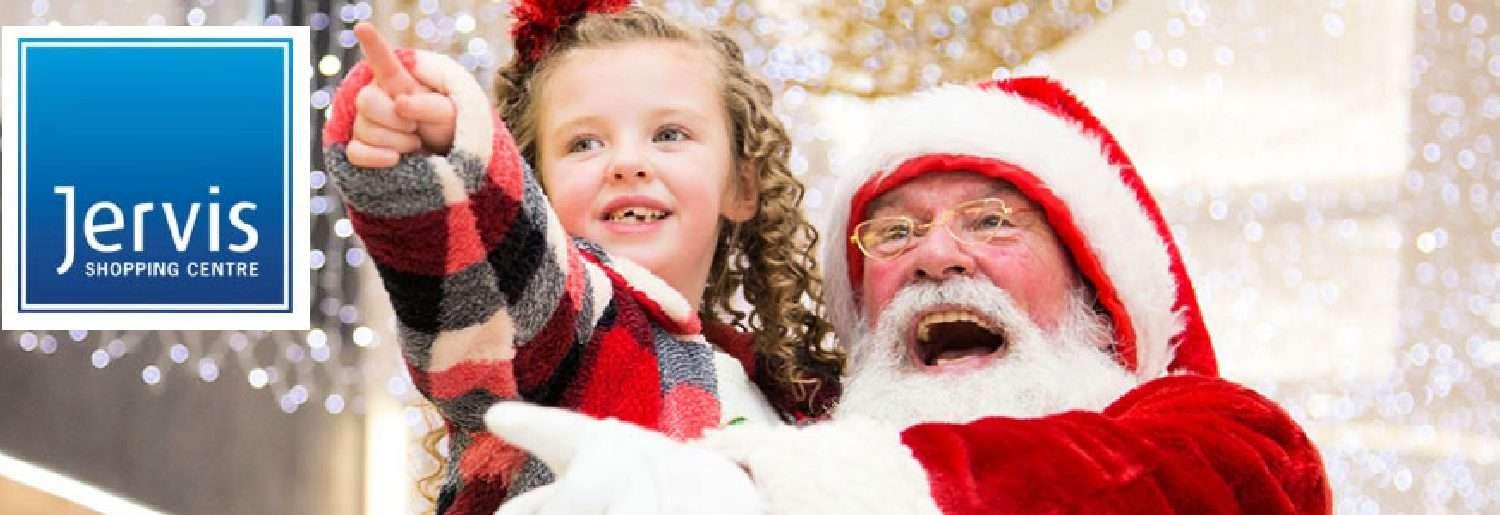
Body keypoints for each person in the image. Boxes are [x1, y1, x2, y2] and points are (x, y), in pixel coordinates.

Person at [487, 77, 1332, 514]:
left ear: (1095, 285)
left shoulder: (1226, 436)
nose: (934, 256)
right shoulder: (788, 428)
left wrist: (760, 494)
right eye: (891, 232)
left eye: (990, 219)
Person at [321, 1, 842, 512]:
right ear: (535, 187)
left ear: (741, 187)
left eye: (670, 135)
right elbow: (482, 266)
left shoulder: (786, 399)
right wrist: (442, 163)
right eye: (584, 143)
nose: (628, 163)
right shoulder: (562, 330)